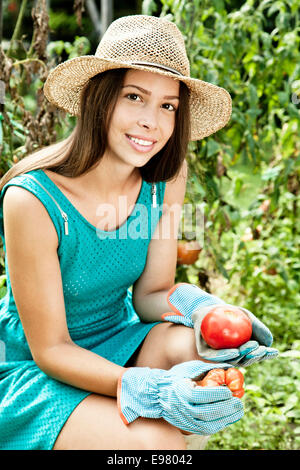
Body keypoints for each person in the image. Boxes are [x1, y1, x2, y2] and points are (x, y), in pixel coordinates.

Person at [0, 15, 278, 450]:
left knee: (199, 364)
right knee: (157, 443)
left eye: (168, 105)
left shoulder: (165, 178)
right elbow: (50, 349)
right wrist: (150, 390)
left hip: (118, 338)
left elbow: (153, 294)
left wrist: (204, 313)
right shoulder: (32, 199)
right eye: (135, 97)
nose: (152, 122)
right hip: (37, 368)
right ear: (100, 98)